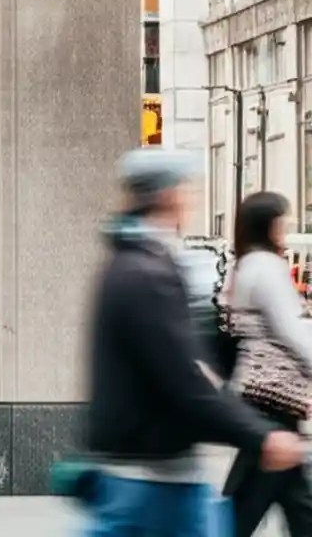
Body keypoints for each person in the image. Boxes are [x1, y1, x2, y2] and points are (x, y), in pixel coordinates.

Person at [85, 150, 304, 536]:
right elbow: (185, 382)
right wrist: (261, 435)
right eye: (188, 189)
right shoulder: (148, 273)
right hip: (156, 482)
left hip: (144, 475)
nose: (193, 198)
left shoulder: (129, 263)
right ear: (169, 195)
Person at [222, 191, 312, 536]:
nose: (286, 229)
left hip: (261, 396)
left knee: (296, 501)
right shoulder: (268, 268)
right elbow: (292, 331)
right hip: (274, 397)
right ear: (268, 225)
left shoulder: (245, 265)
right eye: (282, 221)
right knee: (245, 506)